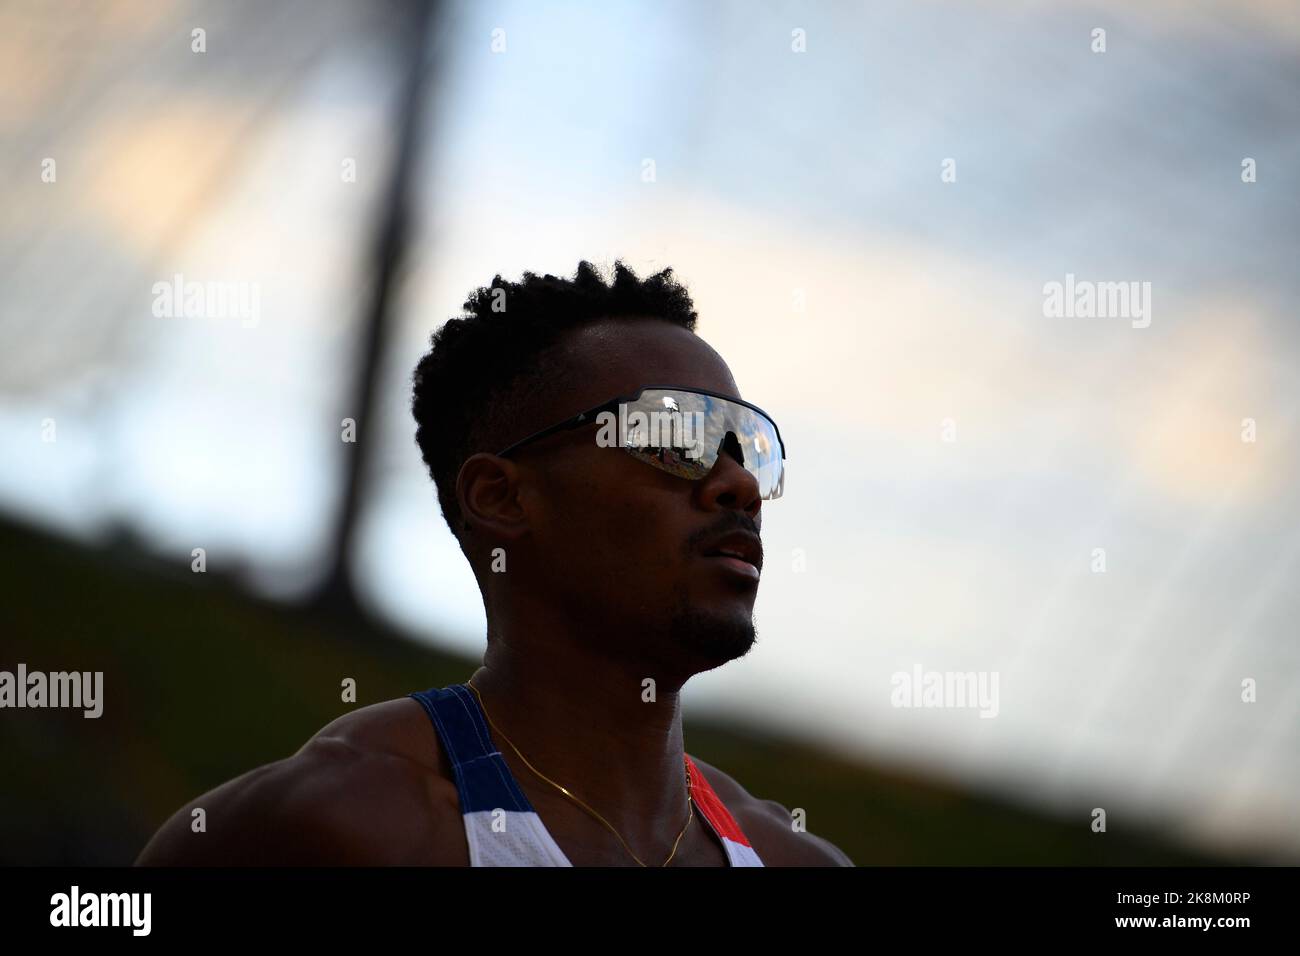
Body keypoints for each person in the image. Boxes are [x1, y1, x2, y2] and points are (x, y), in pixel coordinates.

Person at [137, 260, 852, 866]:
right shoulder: (340, 827)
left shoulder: (793, 856)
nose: (740, 484)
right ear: (502, 498)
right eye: (674, 433)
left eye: (745, 445)